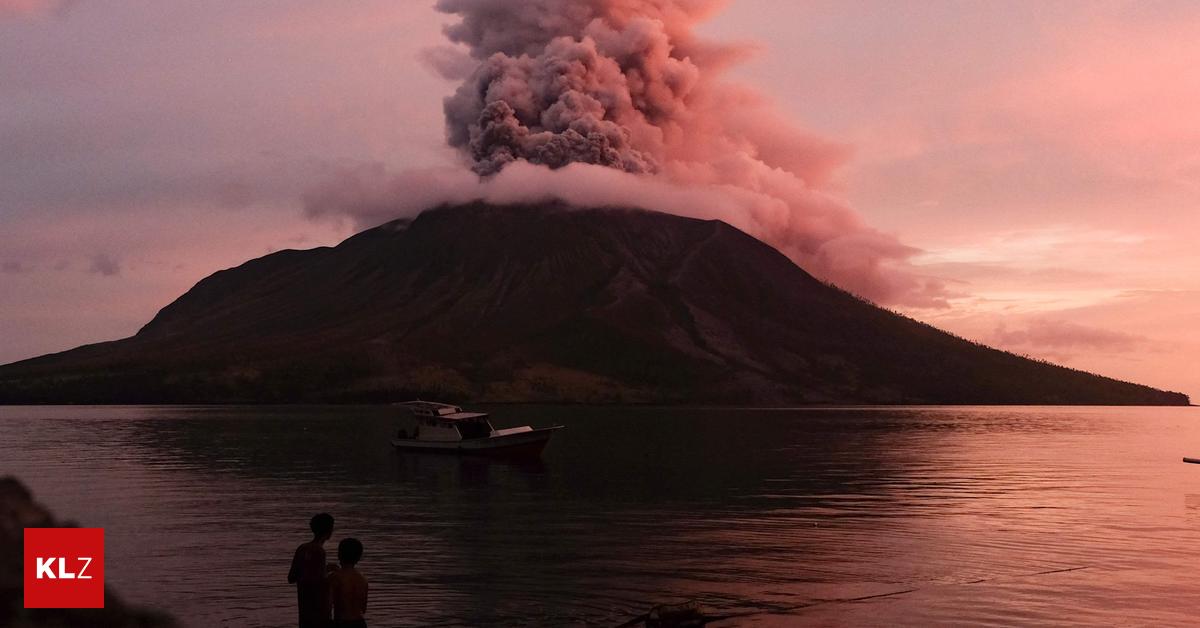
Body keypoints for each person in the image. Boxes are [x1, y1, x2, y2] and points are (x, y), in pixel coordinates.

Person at [288, 513, 335, 628]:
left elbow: (291, 578)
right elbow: (320, 582)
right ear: (329, 531)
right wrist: (330, 574)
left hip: (304, 610)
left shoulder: (302, 548)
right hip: (319, 611)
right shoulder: (319, 551)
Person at [328, 537, 368, 628]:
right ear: (358, 557)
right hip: (360, 623)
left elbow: (328, 606)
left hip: (342, 623)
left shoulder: (334, 577)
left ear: (339, 555)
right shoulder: (363, 579)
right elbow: (363, 608)